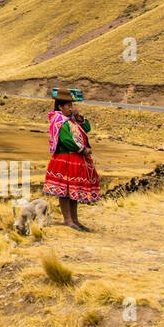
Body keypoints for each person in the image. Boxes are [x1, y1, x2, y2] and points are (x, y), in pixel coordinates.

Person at [42, 89, 100, 230]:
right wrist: (82, 149)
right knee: (65, 191)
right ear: (60, 107)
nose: (71, 108)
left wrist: (78, 116)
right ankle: (68, 220)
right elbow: (66, 139)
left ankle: (75, 219)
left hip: (75, 160)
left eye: (71, 106)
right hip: (65, 159)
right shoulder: (59, 122)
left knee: (74, 192)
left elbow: (87, 128)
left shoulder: (71, 120)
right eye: (68, 106)